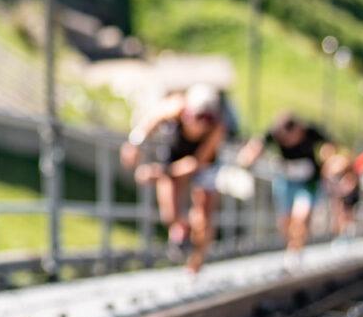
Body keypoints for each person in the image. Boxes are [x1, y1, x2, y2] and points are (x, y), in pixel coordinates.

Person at [121, 83, 227, 273]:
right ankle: (182, 229)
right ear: (187, 113)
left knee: (203, 215)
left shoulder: (217, 129)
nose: (200, 126)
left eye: (206, 120)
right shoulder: (176, 107)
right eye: (197, 118)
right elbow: (151, 120)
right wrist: (134, 143)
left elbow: (194, 164)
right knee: (169, 214)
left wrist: (157, 173)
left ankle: (196, 260)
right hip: (175, 155)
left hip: (203, 166)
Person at [237, 111, 339, 254]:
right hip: (285, 180)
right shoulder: (276, 133)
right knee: (284, 222)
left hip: (307, 182)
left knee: (301, 217)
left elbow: (330, 146)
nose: (287, 143)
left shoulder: (310, 131)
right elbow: (256, 146)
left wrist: (327, 161)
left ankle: (295, 251)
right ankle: (291, 245)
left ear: (298, 130)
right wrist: (248, 157)